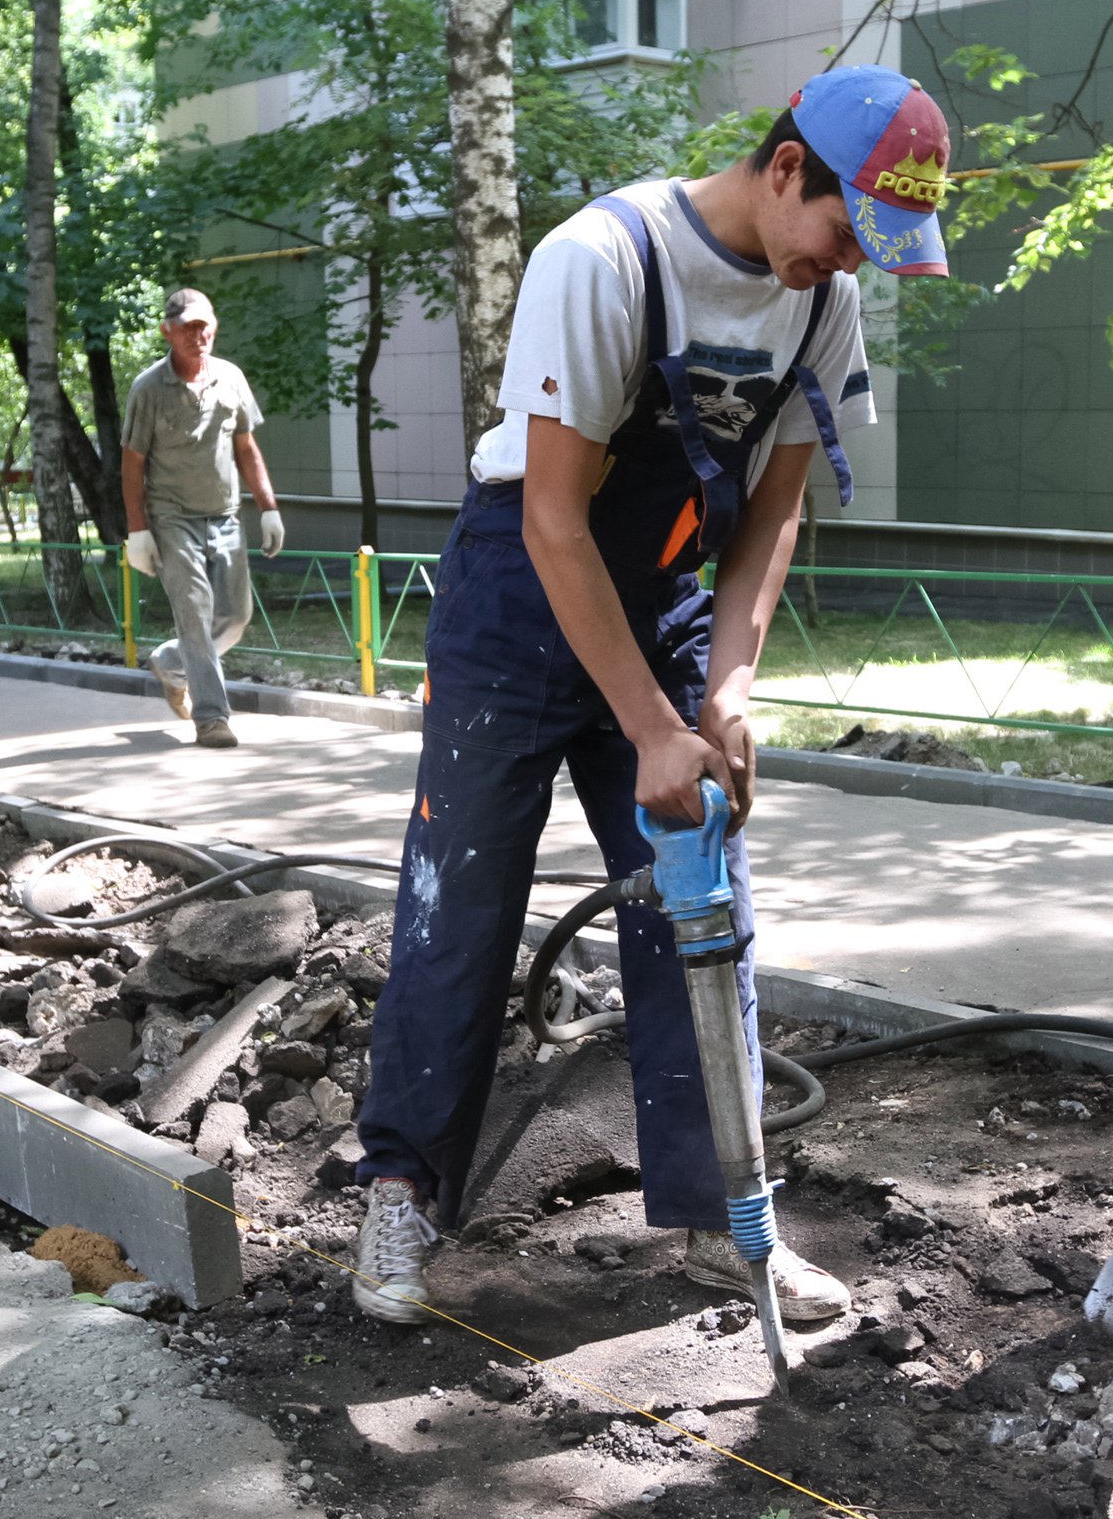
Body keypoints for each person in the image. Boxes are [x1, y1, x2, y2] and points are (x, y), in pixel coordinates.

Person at [347, 64, 952, 1327]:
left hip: (669, 599)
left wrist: (725, 690)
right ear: (787, 168)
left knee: (702, 908)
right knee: (457, 905)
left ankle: (729, 1221)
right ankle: (399, 1194)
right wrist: (647, 729)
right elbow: (558, 520)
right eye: (847, 228)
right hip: (520, 603)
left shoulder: (819, 300)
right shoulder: (605, 258)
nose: (849, 265)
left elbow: (771, 519)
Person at [121, 287, 284, 750]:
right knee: (193, 612)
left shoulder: (230, 378)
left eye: (205, 325)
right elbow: (132, 464)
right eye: (189, 327)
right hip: (172, 518)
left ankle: (171, 663)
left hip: (226, 516)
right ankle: (211, 718)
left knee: (234, 618)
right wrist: (137, 530)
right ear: (167, 331)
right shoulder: (148, 389)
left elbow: (247, 448)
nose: (200, 335)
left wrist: (268, 508)